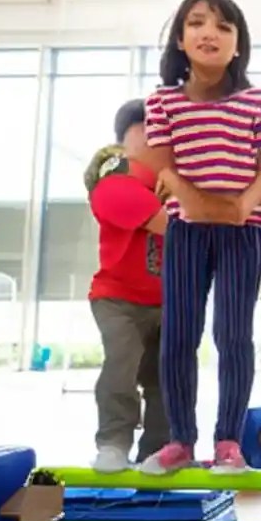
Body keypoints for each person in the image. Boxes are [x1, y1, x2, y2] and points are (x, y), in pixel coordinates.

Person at [138, 0, 261, 476]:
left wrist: (244, 202)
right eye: (197, 23)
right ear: (180, 38)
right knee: (179, 333)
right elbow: (163, 165)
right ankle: (180, 439)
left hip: (243, 233)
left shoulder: (255, 100)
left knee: (233, 334)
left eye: (223, 26)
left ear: (238, 44)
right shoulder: (163, 102)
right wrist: (193, 200)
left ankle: (228, 442)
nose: (209, 33)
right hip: (187, 231)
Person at [85, 99, 173, 473]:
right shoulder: (116, 172)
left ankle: (157, 448)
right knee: (122, 365)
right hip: (118, 298)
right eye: (155, 134)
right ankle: (113, 442)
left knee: (166, 376)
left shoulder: (172, 178)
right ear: (131, 136)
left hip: (167, 300)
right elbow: (169, 222)